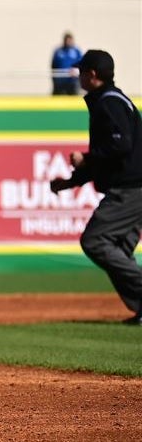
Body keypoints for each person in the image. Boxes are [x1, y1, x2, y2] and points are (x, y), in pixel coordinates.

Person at [48, 50, 142, 326]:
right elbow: (111, 154)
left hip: (132, 189)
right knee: (118, 251)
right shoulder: (110, 100)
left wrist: (86, 157)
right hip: (133, 186)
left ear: (92, 74)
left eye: (81, 71)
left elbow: (120, 145)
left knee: (95, 241)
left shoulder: (109, 103)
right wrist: (70, 183)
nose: (78, 76)